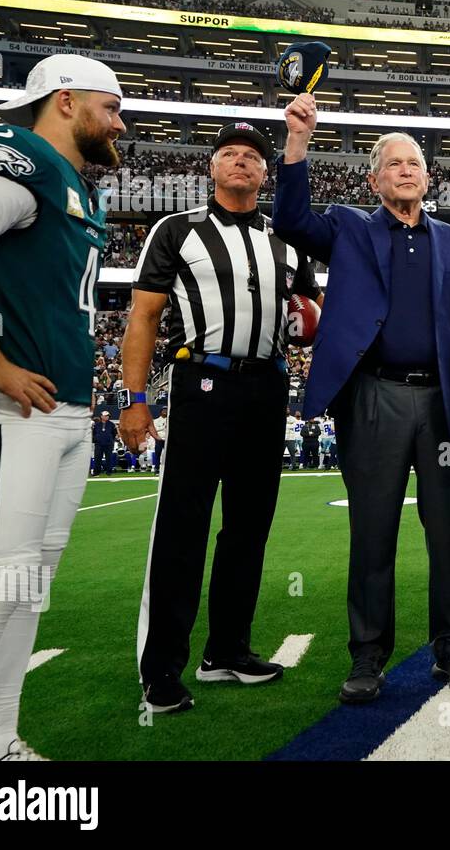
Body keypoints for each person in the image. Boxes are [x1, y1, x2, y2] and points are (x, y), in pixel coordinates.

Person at [274, 94, 450, 703]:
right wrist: (297, 143)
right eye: (394, 163)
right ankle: (368, 656)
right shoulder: (347, 226)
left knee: (448, 530)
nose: (406, 170)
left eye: (414, 162)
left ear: (427, 175)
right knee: (372, 531)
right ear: (374, 178)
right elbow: (290, 221)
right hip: (373, 396)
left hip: (441, 400)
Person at [0, 53, 125, 760]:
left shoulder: (72, 186)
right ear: (64, 101)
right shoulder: (26, 166)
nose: (118, 123)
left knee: (25, 588)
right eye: (109, 107)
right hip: (8, 410)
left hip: (62, 415)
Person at [121, 121, 322, 715]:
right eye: (228, 154)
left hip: (267, 386)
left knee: (249, 526)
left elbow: (308, 314)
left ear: (265, 173)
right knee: (183, 527)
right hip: (201, 383)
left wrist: (309, 321)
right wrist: (136, 400)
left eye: (251, 157)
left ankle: (227, 650)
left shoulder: (287, 238)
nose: (240, 162)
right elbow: (143, 318)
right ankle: (161, 668)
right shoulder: (177, 229)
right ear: (211, 168)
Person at [92, 409, 117, 475]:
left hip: (108, 444)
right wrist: (96, 439)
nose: (107, 417)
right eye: (105, 416)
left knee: (108, 458)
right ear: (101, 416)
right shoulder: (97, 425)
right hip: (99, 444)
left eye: (108, 416)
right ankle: (96, 472)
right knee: (97, 458)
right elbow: (94, 433)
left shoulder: (112, 424)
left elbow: (114, 433)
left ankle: (109, 472)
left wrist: (110, 440)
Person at [152, 406, 168, 472]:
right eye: (163, 410)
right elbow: (155, 430)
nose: (165, 411)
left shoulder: (169, 420)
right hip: (159, 439)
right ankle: (156, 468)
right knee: (158, 454)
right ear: (160, 412)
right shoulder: (156, 421)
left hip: (167, 439)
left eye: (166, 410)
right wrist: (164, 427)